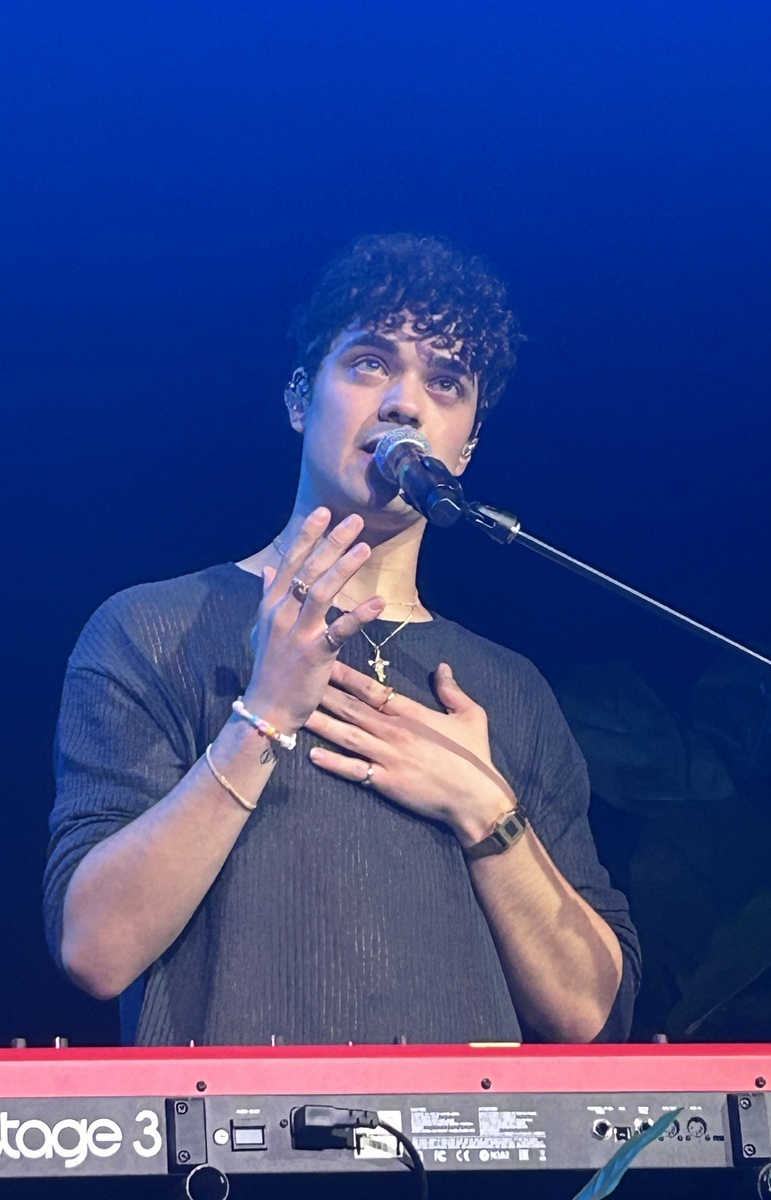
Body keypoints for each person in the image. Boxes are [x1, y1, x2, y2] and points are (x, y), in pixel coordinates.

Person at [44, 233, 640, 1047]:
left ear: (466, 446)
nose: (404, 404)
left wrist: (485, 808)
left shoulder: (510, 689)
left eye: (445, 381)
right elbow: (95, 948)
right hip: (233, 1130)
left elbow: (591, 1013)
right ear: (300, 399)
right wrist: (263, 714)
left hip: (461, 1133)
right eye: (369, 363)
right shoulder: (152, 629)